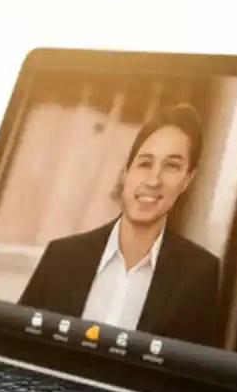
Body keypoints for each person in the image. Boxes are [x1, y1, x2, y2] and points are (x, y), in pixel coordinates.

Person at [18, 103, 222, 348]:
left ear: (188, 180)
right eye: (145, 163)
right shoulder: (61, 257)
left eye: (172, 166)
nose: (154, 180)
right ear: (126, 172)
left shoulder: (199, 275)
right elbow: (15, 349)